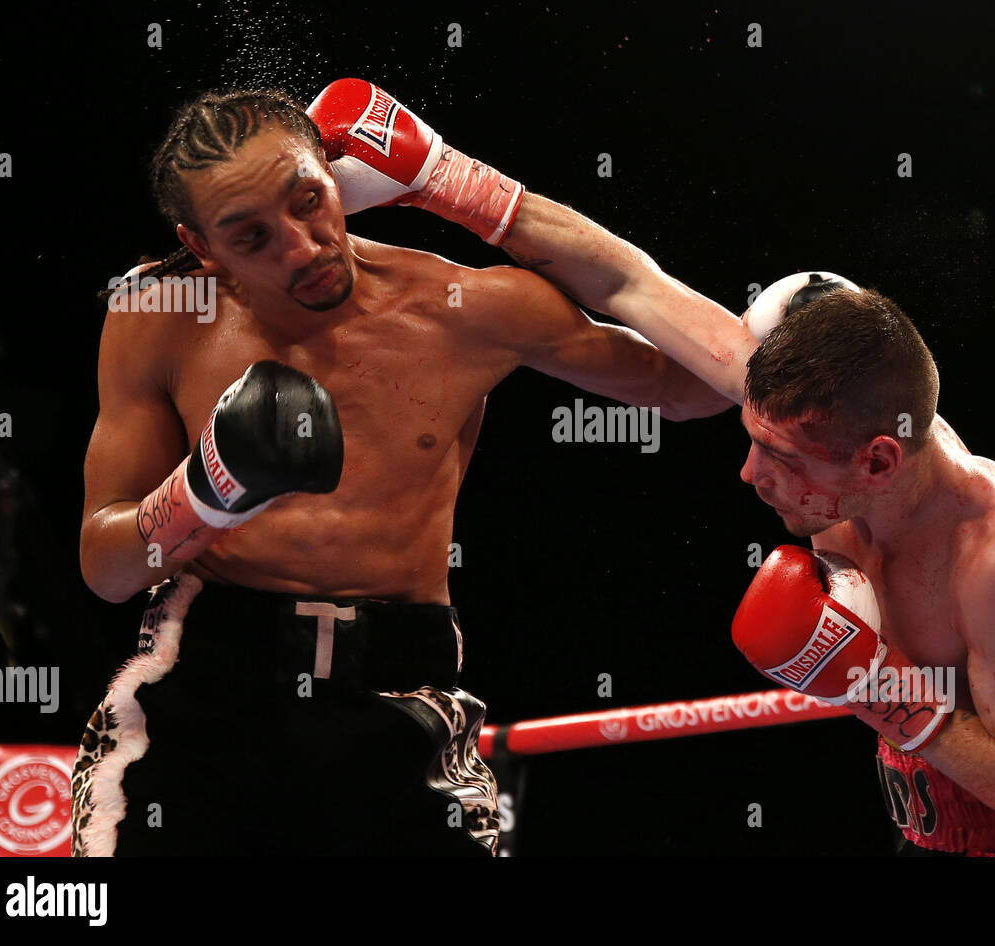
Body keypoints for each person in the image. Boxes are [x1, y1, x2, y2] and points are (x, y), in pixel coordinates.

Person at [312, 78, 995, 856]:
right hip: (927, 825)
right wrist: (443, 176)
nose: (750, 476)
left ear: (878, 460)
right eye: (753, 439)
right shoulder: (808, 410)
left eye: (780, 459)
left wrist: (869, 682)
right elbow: (627, 282)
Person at [70, 86, 733, 857]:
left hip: (400, 688)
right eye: (251, 237)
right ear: (202, 245)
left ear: (331, 170)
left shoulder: (465, 307)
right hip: (204, 684)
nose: (302, 245)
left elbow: (696, 387)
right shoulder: (160, 313)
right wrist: (207, 490)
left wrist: (464, 188)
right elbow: (105, 568)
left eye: (307, 201)